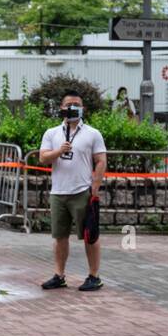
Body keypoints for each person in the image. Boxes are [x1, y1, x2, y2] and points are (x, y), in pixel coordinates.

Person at [38, 91, 106, 292]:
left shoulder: (92, 133)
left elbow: (101, 160)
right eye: (69, 104)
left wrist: (95, 186)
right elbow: (43, 158)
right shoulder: (52, 133)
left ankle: (94, 276)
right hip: (58, 192)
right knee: (59, 236)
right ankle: (59, 275)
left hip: (82, 191)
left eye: (77, 104)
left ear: (83, 108)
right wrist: (59, 151)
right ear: (61, 107)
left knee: (89, 235)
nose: (73, 107)